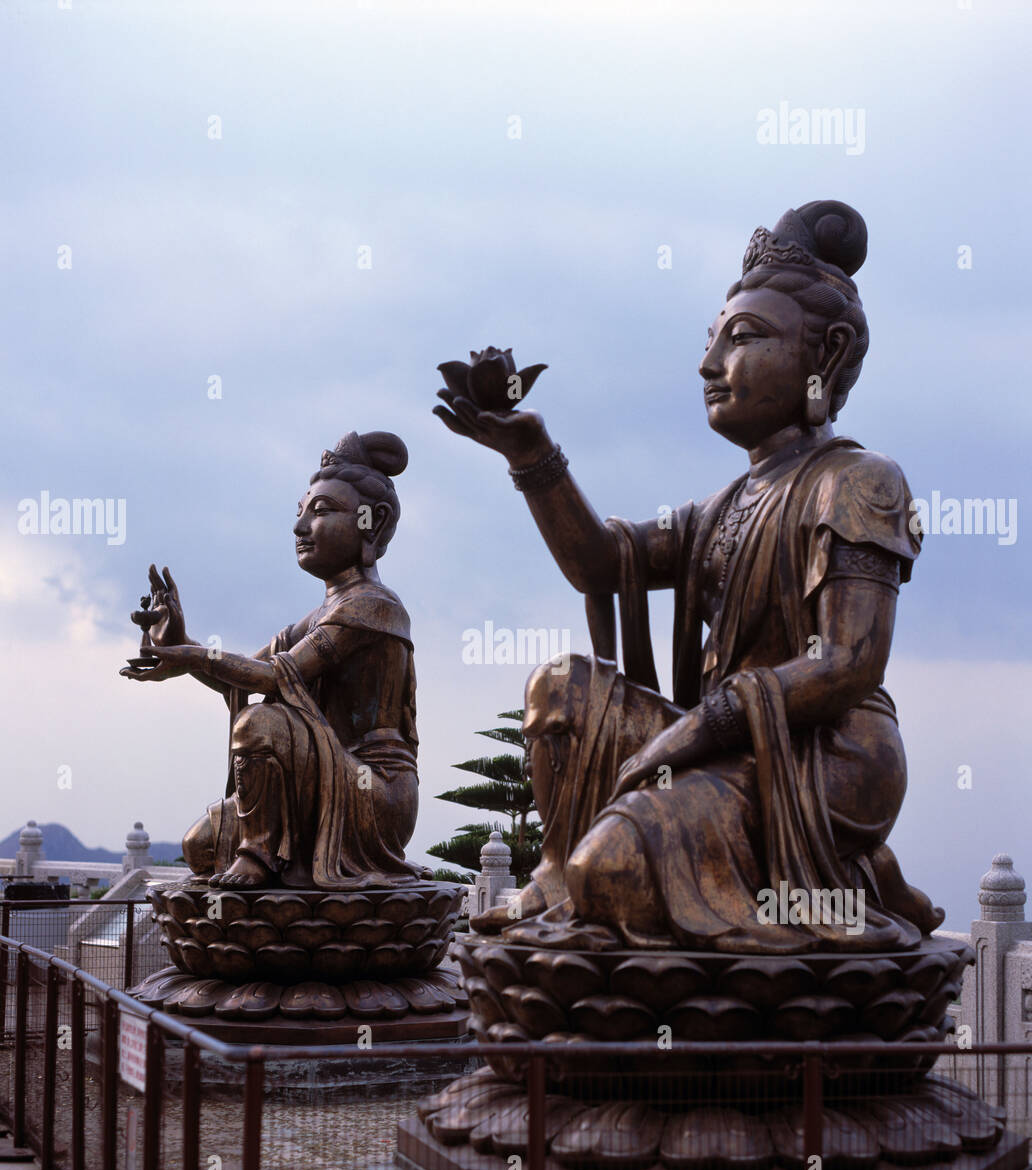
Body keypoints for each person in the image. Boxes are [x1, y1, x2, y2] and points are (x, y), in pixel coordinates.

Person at [435, 200, 943, 953]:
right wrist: (530, 457)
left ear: (826, 355)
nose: (710, 365)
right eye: (711, 342)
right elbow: (601, 563)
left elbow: (848, 663)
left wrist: (701, 728)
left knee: (610, 869)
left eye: (743, 339)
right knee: (560, 689)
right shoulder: (723, 507)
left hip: (821, 756)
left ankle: (843, 878)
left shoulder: (861, 483)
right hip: (730, 742)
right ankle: (553, 871)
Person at [120, 431, 421, 891]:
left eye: (320, 512)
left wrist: (191, 655)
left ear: (372, 523)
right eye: (300, 513)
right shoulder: (316, 617)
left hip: (372, 790)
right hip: (318, 781)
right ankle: (259, 854)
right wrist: (181, 645)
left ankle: (258, 855)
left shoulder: (375, 606)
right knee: (200, 843)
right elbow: (236, 677)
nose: (300, 527)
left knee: (260, 723)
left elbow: (272, 677)